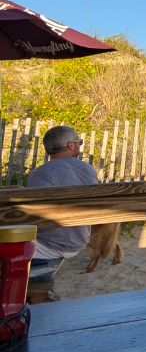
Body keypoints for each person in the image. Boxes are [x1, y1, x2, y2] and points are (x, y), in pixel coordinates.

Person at [25, 125, 100, 298]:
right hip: (79, 239)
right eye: (79, 142)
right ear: (71, 145)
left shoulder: (39, 174)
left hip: (52, 244)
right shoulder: (87, 170)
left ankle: (34, 290)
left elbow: (36, 216)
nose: (79, 146)